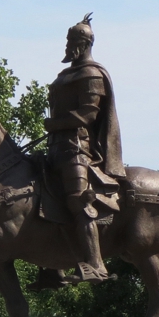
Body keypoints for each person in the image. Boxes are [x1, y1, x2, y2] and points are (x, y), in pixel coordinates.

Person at [44, 14, 126, 283]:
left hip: (78, 150)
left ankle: (95, 263)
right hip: (55, 148)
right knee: (35, 192)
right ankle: (51, 264)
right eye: (68, 40)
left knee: (79, 200)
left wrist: (56, 124)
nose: (68, 46)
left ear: (84, 43)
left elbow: (88, 114)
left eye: (72, 41)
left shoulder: (92, 74)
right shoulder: (65, 75)